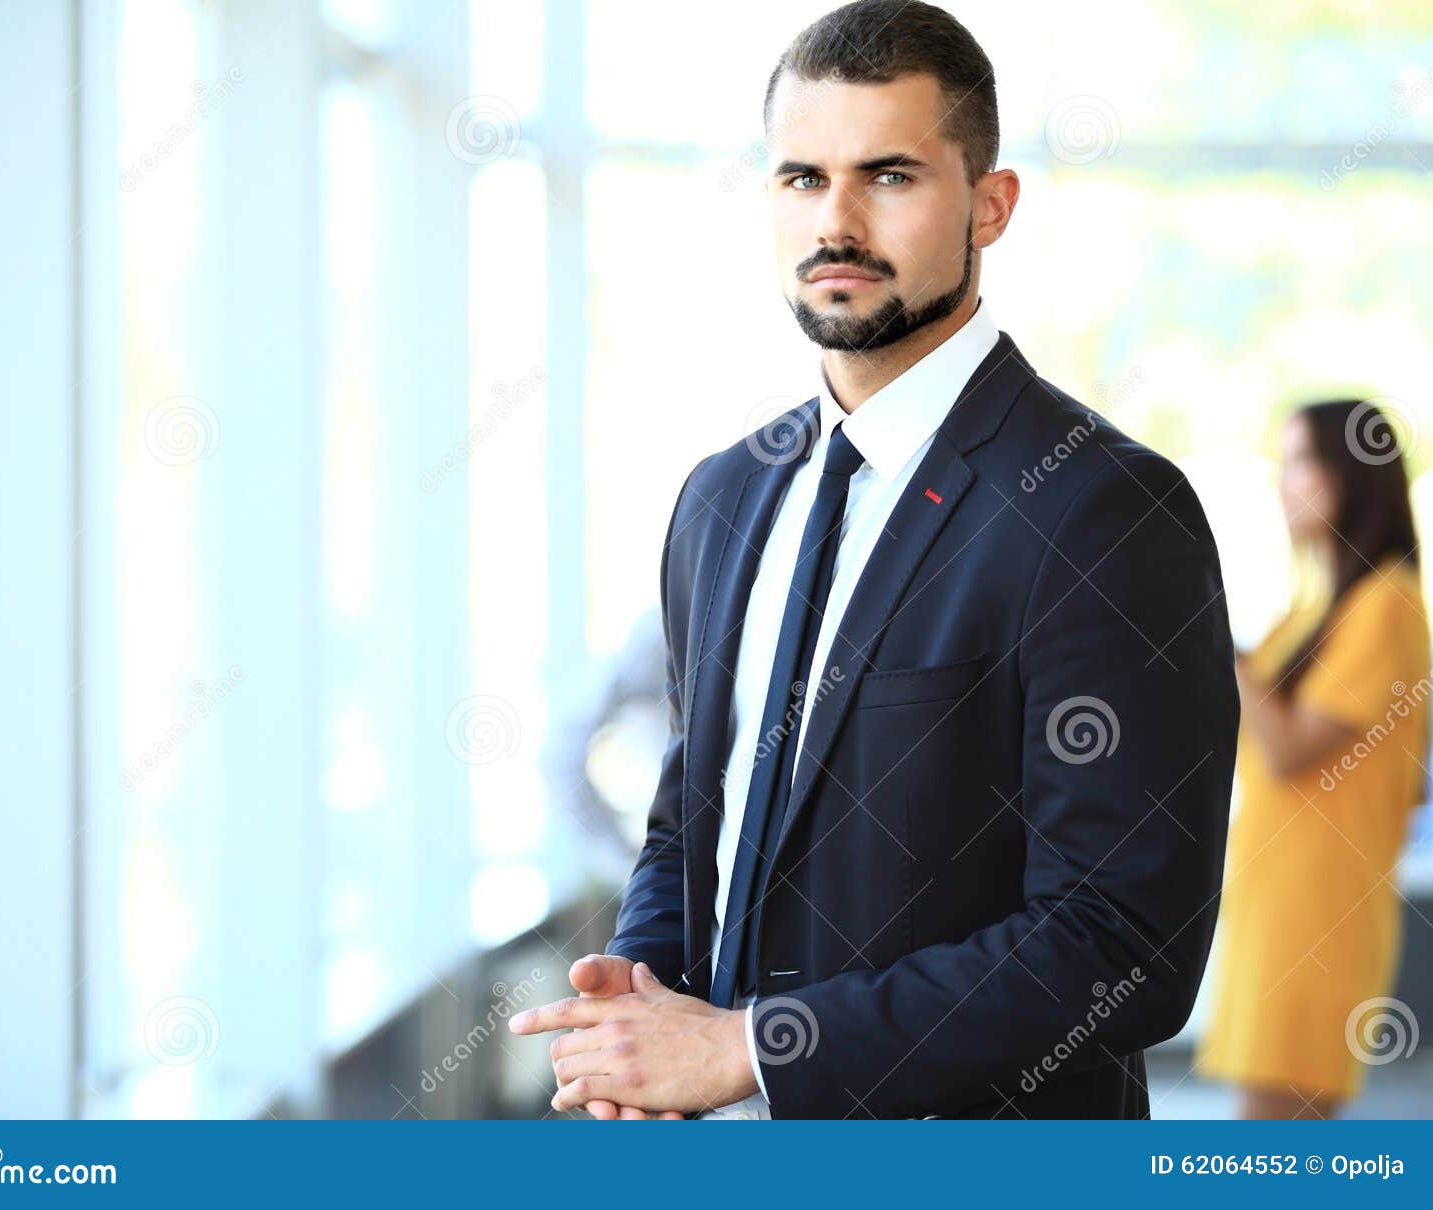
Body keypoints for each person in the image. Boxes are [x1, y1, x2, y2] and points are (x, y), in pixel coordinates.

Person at [510, 0, 1239, 1118]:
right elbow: (689, 818)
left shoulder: (1101, 508)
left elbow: (1123, 943)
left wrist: (754, 1047)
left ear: (988, 206)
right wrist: (644, 986)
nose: (836, 221)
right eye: (802, 178)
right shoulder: (724, 498)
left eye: (889, 176)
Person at [1196, 399, 1429, 1119]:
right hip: (1272, 899)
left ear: (1350, 476)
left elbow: (1291, 748)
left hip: (1320, 911)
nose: (1282, 484)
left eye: (1300, 462)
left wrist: (1217, 633)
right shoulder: (1309, 612)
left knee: (1277, 1141)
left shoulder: (1387, 606)